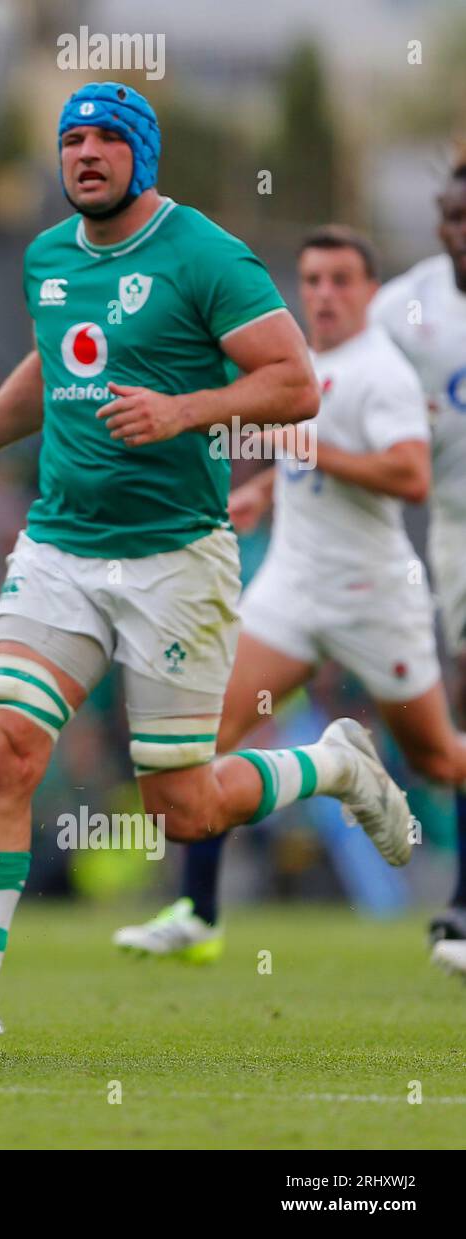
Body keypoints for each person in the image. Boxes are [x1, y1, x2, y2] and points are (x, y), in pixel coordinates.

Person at [0, 82, 411, 1035]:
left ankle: (334, 766)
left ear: (141, 156)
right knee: (3, 751)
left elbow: (292, 383)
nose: (84, 153)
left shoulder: (203, 253)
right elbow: (51, 369)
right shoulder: (47, 256)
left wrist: (183, 411)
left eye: (104, 140)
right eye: (71, 139)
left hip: (177, 560)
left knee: (185, 808)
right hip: (60, 547)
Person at [117, 225, 451, 961]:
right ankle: (200, 914)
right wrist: (268, 488)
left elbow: (410, 475)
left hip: (372, 594)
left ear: (370, 290)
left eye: (341, 280)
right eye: (313, 279)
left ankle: (457, 906)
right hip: (293, 588)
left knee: (437, 758)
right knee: (204, 740)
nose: (324, 294)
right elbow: (315, 463)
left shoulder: (380, 372)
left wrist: (303, 449)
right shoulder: (307, 364)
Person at [369, 159, 466, 977]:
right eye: (448, 214)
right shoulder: (409, 306)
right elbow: (338, 378)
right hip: (458, 518)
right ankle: (465, 896)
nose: (454, 231)